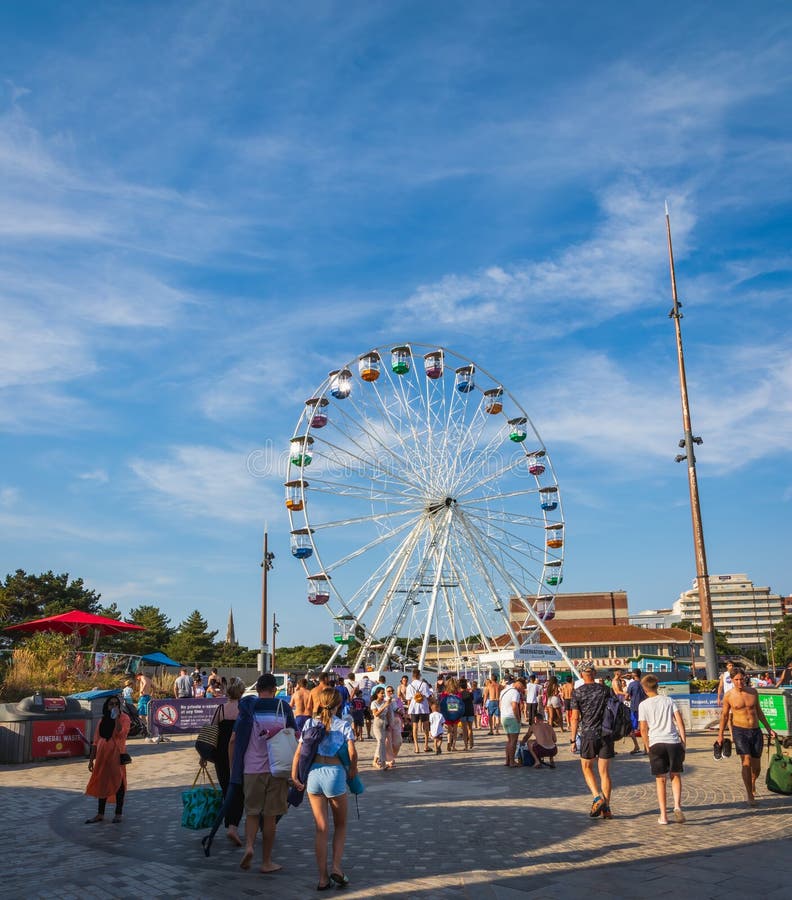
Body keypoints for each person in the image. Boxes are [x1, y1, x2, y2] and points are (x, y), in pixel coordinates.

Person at [229, 673, 297, 873]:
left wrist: (234, 767)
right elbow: (295, 734)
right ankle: (266, 862)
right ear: (275, 689)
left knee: (252, 812)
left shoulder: (248, 708)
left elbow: (233, 739)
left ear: (257, 689)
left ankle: (249, 846)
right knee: (270, 817)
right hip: (278, 769)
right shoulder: (283, 707)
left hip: (251, 769)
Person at [291, 686, 357, 890]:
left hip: (314, 776)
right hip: (334, 774)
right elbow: (352, 753)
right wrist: (353, 769)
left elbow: (299, 752)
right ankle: (336, 867)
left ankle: (322, 878)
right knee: (340, 825)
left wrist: (294, 775)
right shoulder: (343, 725)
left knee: (321, 828)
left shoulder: (310, 723)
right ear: (339, 704)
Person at [717, 668, 777, 807]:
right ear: (732, 680)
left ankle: (752, 782)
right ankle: (749, 794)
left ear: (745, 678)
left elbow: (759, 712)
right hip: (740, 731)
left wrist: (769, 729)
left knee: (756, 768)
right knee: (746, 761)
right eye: (736, 680)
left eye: (741, 679)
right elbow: (724, 716)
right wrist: (720, 735)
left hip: (755, 731)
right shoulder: (729, 696)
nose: (739, 682)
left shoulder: (753, 692)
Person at [638, 673, 687, 825]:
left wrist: (647, 746)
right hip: (672, 741)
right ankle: (677, 806)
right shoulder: (669, 700)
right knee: (675, 775)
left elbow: (643, 728)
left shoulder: (643, 705)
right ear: (657, 686)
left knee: (661, 779)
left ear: (645, 689)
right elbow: (679, 721)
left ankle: (663, 816)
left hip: (656, 742)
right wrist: (683, 741)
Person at [569, 662, 615, 819]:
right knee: (604, 772)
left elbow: (575, 718)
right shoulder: (606, 690)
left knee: (586, 767)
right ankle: (606, 808)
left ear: (582, 674)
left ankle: (597, 797)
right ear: (594, 673)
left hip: (588, 734)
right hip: (606, 734)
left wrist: (573, 739)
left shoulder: (578, 692)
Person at [84, 695, 130, 823]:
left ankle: (118, 813)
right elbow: (96, 740)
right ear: (107, 706)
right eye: (111, 704)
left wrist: (116, 718)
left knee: (119, 782)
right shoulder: (103, 719)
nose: (114, 706)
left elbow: (121, 733)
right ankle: (100, 813)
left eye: (116, 704)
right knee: (102, 782)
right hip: (102, 755)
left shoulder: (124, 718)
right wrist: (91, 759)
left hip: (117, 754)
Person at [212, 677, 245, 846]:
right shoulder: (244, 710)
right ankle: (233, 826)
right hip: (240, 755)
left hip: (221, 756)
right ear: (241, 691)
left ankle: (228, 824)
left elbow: (212, 732)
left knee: (227, 790)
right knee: (239, 791)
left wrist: (204, 756)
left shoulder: (221, 710)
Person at [499, 677, 525, 767]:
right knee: (513, 741)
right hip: (512, 718)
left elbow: (500, 705)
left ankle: (507, 761)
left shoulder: (504, 691)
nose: (522, 690)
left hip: (504, 717)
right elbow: (514, 706)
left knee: (509, 740)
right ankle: (512, 762)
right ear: (520, 684)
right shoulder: (515, 692)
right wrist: (518, 718)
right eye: (523, 688)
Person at [612, 668, 639, 753]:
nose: (621, 673)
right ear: (617, 673)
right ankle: (612, 748)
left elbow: (621, 677)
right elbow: (617, 692)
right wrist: (627, 693)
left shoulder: (618, 679)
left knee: (626, 724)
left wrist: (625, 675)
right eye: (620, 672)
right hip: (619, 702)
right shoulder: (615, 681)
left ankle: (636, 746)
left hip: (621, 701)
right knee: (617, 724)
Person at [406, 668, 433, 753]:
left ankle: (416, 747)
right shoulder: (424, 684)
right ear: (419, 675)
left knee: (415, 727)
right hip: (423, 707)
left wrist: (409, 711)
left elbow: (408, 700)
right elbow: (428, 696)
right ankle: (426, 746)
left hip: (414, 708)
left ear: (412, 676)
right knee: (426, 726)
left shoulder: (409, 686)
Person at [439, 676, 463, 751]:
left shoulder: (444, 693)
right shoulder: (458, 693)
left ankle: (449, 742)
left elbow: (441, 703)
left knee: (449, 730)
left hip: (447, 713)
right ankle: (453, 746)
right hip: (456, 713)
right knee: (455, 730)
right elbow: (461, 703)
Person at [370, 685, 391, 770]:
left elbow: (388, 713)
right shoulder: (374, 703)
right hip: (377, 723)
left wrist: (389, 723)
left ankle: (377, 761)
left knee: (382, 743)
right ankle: (381, 762)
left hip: (384, 723)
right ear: (377, 694)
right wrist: (384, 706)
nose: (383, 695)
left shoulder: (385, 702)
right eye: (381, 693)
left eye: (383, 693)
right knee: (380, 741)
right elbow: (376, 714)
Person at [626, 670, 647, 755]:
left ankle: (636, 746)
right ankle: (646, 748)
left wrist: (629, 699)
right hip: (644, 708)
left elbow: (626, 696)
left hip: (635, 708)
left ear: (634, 675)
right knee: (645, 728)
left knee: (632, 729)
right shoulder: (644, 683)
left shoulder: (632, 684)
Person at [458, 678, 475, 750]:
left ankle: (466, 746)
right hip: (470, 711)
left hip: (463, 712)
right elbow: (472, 701)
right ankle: (471, 743)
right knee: (470, 728)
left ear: (460, 686)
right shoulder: (470, 693)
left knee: (464, 730)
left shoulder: (459, 694)